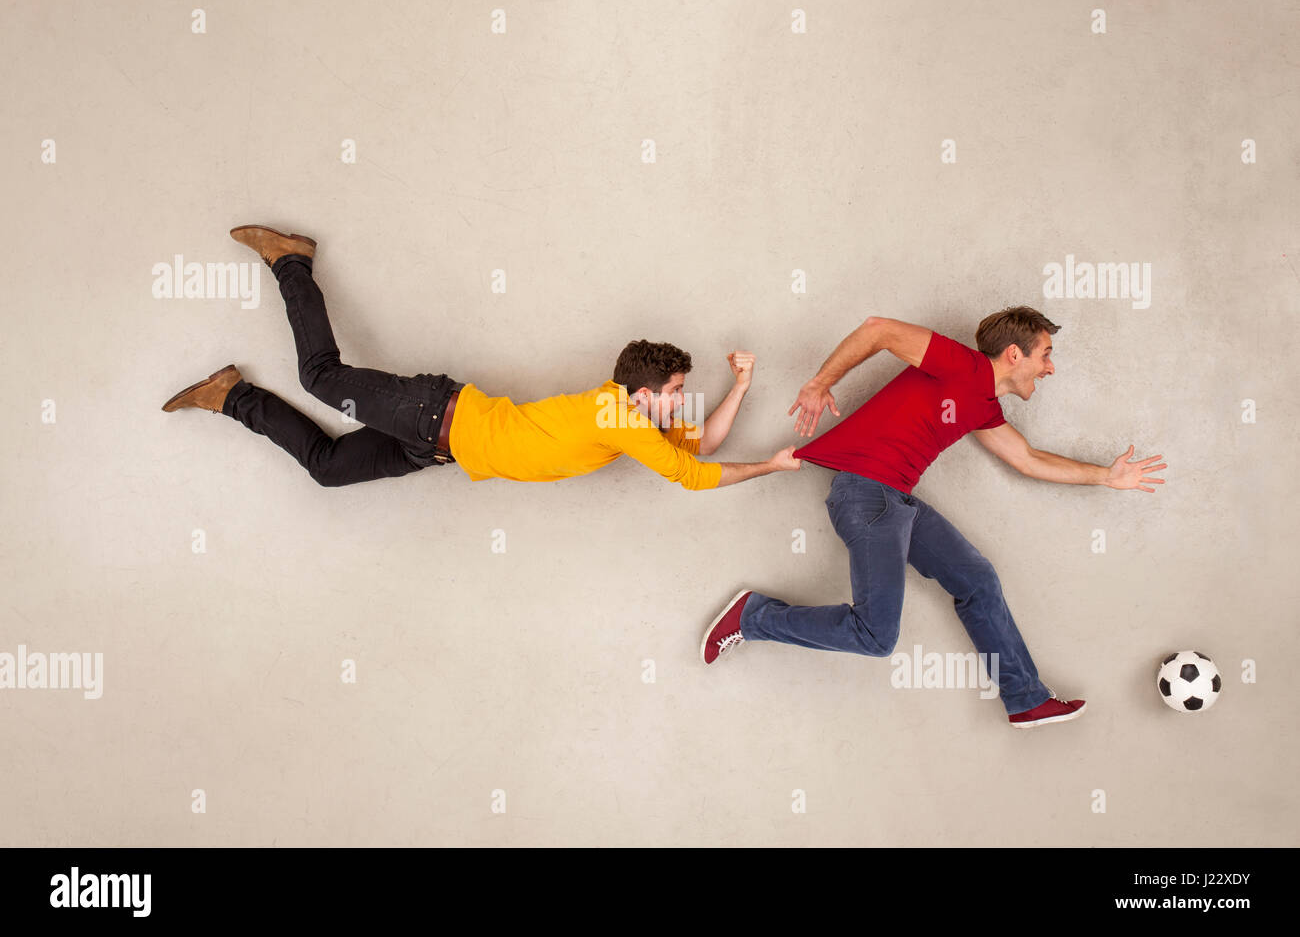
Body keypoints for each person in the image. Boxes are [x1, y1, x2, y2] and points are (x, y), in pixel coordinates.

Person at [700, 308, 1167, 729]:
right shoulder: (960, 364)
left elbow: (1026, 458)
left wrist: (1106, 477)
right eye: (1045, 355)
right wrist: (820, 384)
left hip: (894, 501)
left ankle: (1025, 698)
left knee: (977, 580)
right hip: (867, 496)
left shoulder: (983, 405)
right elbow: (877, 330)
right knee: (876, 635)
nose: (1050, 367)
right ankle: (754, 617)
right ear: (1013, 354)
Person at [162, 225, 800, 491]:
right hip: (431, 412)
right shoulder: (616, 419)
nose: (681, 400)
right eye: (677, 389)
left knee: (328, 469)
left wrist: (740, 387)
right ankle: (291, 260)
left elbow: (703, 450)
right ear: (643, 392)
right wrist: (771, 466)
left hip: (436, 446)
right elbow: (692, 477)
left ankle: (232, 396)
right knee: (319, 376)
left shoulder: (637, 423)